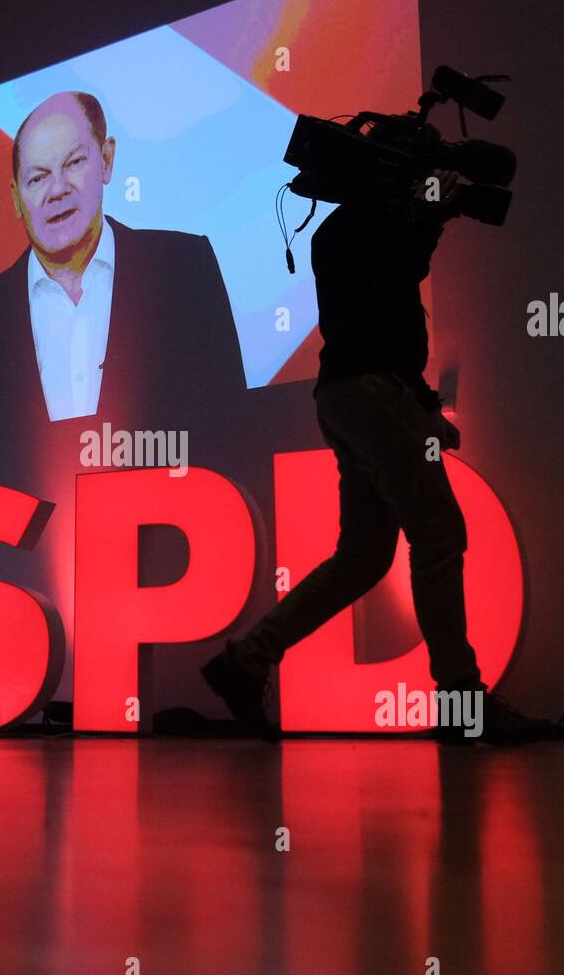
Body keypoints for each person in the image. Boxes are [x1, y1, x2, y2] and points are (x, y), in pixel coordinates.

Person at [202, 167, 555, 746]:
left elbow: (382, 312)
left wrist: (420, 410)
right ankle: (463, 704)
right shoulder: (364, 227)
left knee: (364, 556)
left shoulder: (345, 230)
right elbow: (398, 278)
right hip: (370, 392)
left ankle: (246, 660)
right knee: (438, 532)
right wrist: (430, 211)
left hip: (356, 395)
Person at [0, 90, 245, 459]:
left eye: (74, 163)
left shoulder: (185, 269)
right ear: (16, 198)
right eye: (37, 178)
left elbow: (233, 426)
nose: (57, 189)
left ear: (106, 160)